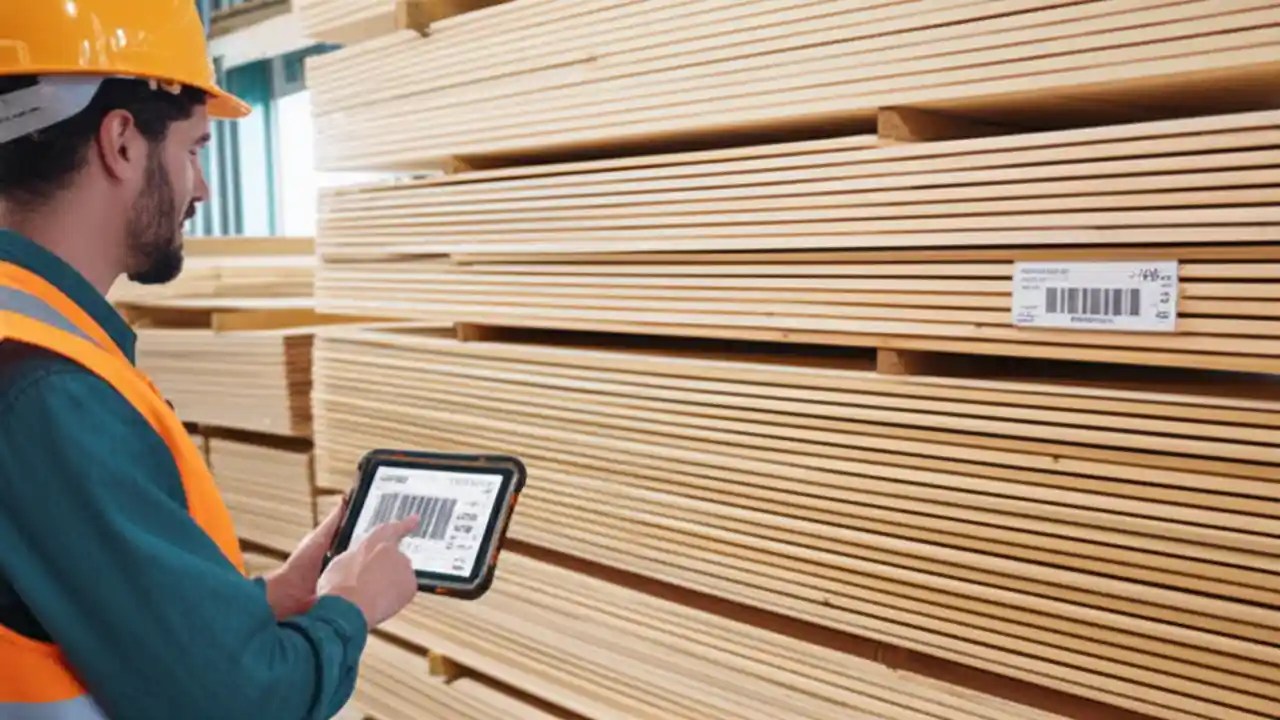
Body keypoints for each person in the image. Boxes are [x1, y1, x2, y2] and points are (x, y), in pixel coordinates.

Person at [0, 3, 420, 718]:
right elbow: (237, 705)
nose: (203, 188)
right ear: (123, 142)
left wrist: (266, 601)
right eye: (194, 150)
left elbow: (67, 606)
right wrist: (350, 607)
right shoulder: (46, 387)